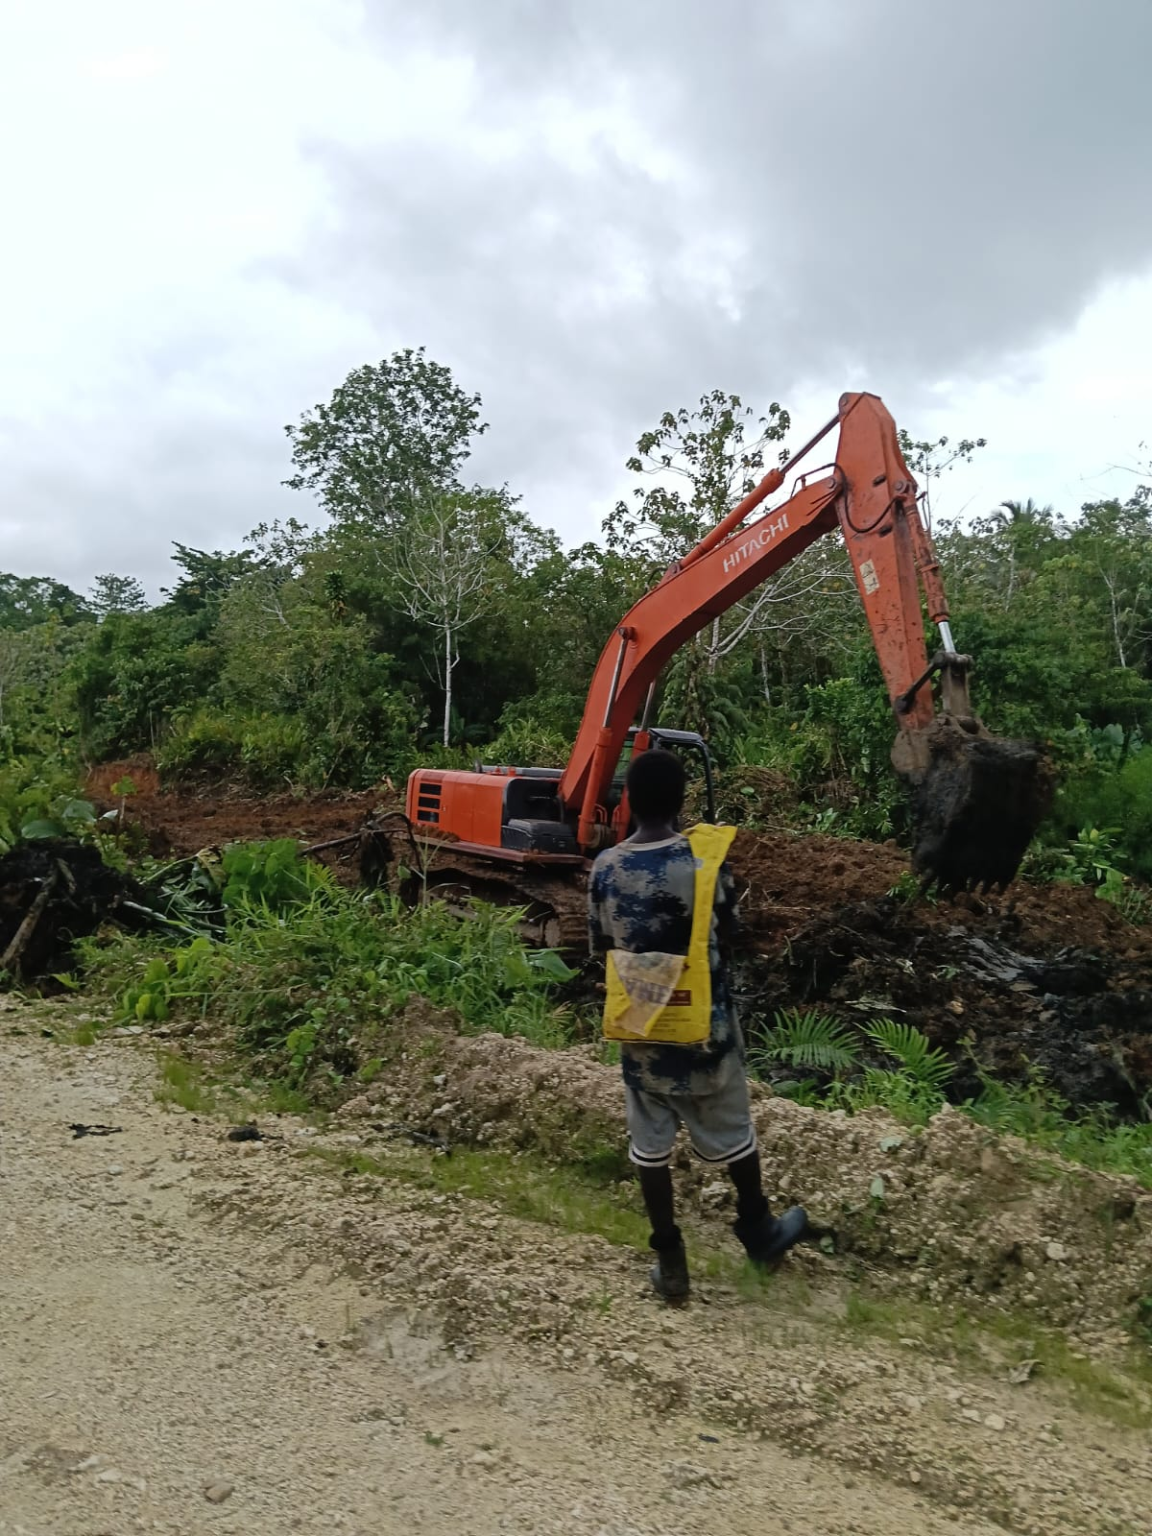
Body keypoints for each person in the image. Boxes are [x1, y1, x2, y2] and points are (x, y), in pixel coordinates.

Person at [588, 748, 806, 1302]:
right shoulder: (706, 863)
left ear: (630, 801)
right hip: (706, 1034)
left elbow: (602, 945)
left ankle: (671, 1261)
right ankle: (758, 1231)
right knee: (735, 1133)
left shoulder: (606, 868)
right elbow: (730, 932)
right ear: (683, 802)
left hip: (641, 1034)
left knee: (649, 1148)